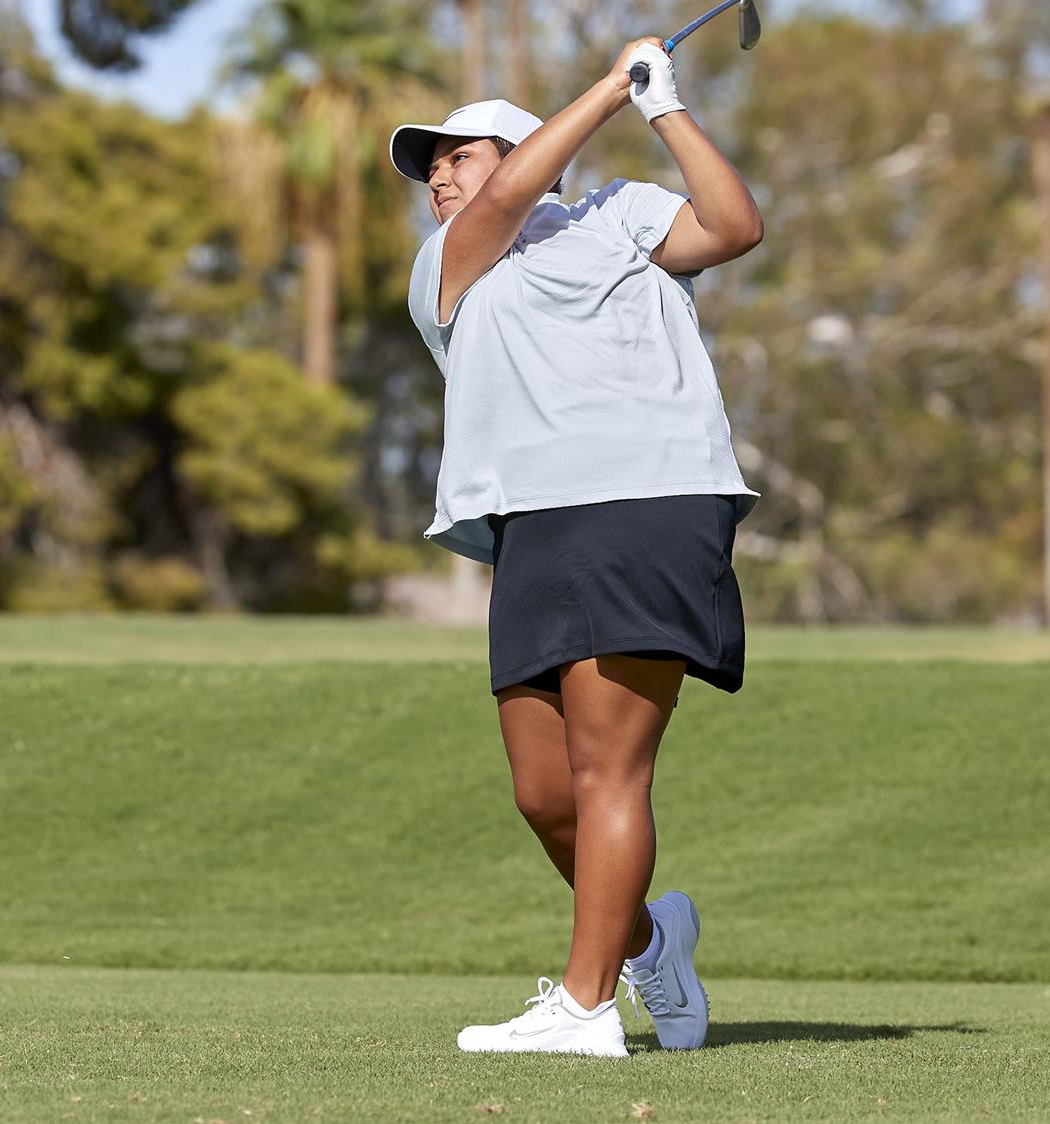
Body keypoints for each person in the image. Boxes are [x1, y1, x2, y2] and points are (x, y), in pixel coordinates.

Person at [389, 38, 763, 1057]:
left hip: (650, 496)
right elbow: (508, 201)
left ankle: (586, 1006)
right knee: (544, 793)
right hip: (532, 519)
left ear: (524, 152)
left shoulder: (622, 213)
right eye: (432, 170)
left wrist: (662, 107)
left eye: (459, 157)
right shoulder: (447, 263)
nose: (440, 179)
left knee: (607, 773)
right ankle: (649, 940)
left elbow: (735, 226)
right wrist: (607, 87)